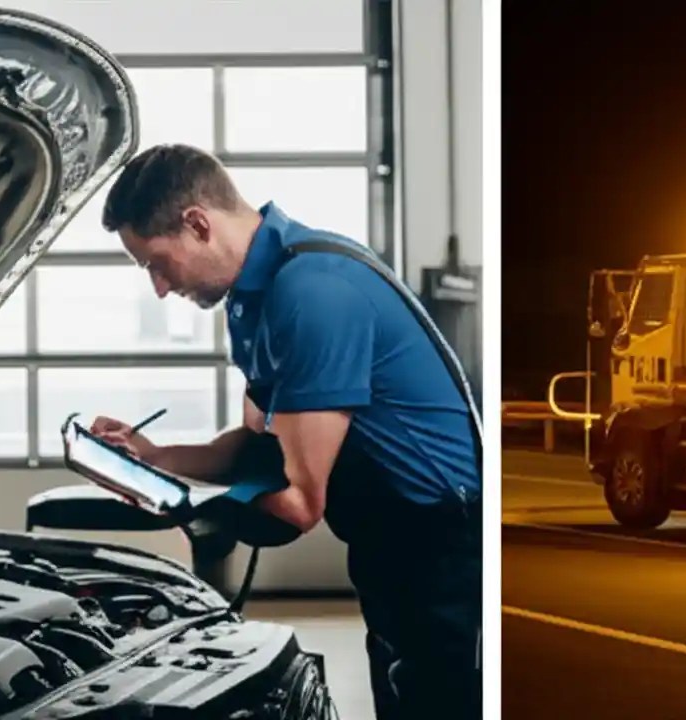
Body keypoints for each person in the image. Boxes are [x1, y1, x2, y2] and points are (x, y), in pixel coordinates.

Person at [88, 144, 482, 720]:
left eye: (155, 262)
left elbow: (299, 503)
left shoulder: (313, 290)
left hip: (446, 550)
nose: (160, 288)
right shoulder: (253, 298)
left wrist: (178, 503)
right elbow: (258, 446)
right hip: (386, 543)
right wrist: (150, 456)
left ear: (197, 224)